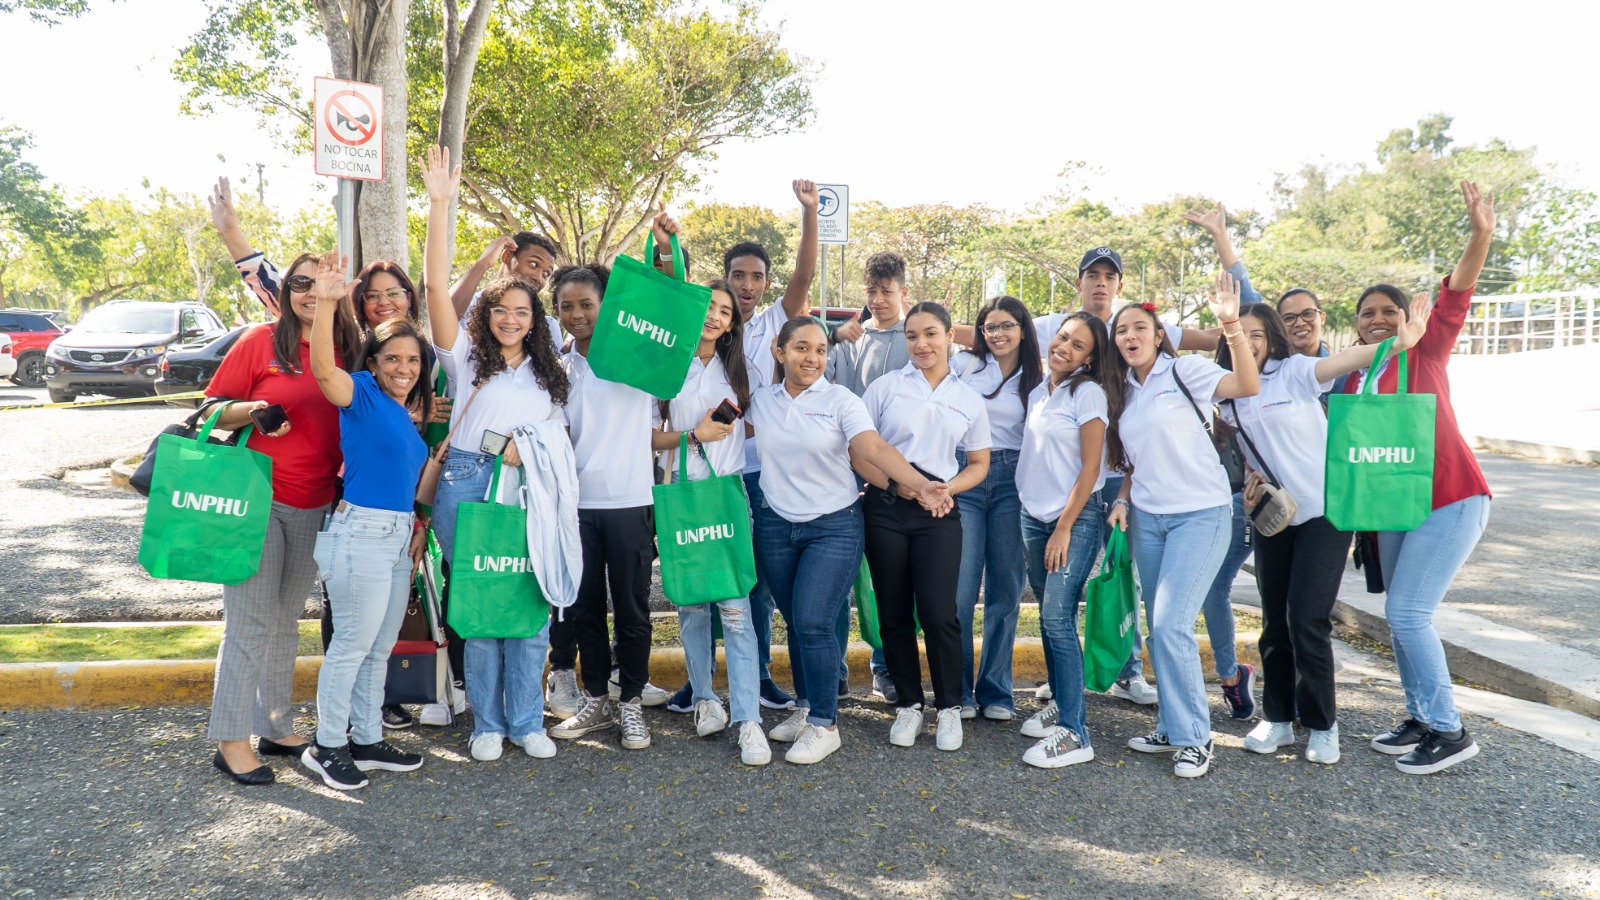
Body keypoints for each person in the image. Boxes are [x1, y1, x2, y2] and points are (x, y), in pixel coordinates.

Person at [1220, 298, 1430, 766]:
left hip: (1325, 514)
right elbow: (1248, 460)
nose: (1250, 343)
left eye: (1257, 334)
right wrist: (1253, 484)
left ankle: (1322, 724)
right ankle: (1277, 719)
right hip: (1276, 519)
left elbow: (1349, 358)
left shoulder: (1293, 372)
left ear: (1270, 338)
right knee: (1274, 622)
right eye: (1241, 334)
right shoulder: (1230, 394)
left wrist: (1401, 343)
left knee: (1306, 621)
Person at [422, 145, 571, 762]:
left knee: (529, 600)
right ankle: (486, 723)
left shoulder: (552, 374)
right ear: (487, 315)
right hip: (464, 478)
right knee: (482, 602)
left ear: (535, 319)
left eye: (522, 311)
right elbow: (433, 284)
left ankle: (526, 721)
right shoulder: (465, 359)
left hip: (529, 485)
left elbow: (561, 436)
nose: (511, 318)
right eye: (501, 310)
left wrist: (527, 446)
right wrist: (439, 206)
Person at [750, 316, 951, 764]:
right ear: (780, 352)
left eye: (821, 350)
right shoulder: (762, 401)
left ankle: (825, 723)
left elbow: (874, 448)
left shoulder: (841, 400)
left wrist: (920, 485)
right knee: (797, 621)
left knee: (814, 619)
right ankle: (806, 707)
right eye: (802, 348)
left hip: (834, 525)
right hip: (777, 525)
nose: (813, 358)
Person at [203, 252, 364, 785]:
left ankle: (275, 725)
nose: (311, 293)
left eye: (322, 284)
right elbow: (209, 411)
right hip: (257, 498)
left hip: (316, 501)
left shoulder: (348, 351)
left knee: (284, 620)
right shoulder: (259, 342)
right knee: (249, 619)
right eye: (300, 283)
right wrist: (249, 410)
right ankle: (230, 741)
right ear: (287, 289)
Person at [1356, 182, 1496, 775]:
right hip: (1393, 505)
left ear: (1410, 314)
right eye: (1368, 314)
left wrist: (1480, 233)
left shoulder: (1429, 345)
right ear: (1357, 327)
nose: (1380, 319)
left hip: (1451, 497)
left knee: (1410, 613)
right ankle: (1419, 714)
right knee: (1399, 612)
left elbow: (1459, 286)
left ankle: (1450, 728)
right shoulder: (1360, 374)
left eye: (1389, 309)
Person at [1103, 272, 1259, 778]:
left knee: (1171, 623)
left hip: (1202, 513)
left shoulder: (1183, 371)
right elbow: (1134, 459)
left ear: (1157, 333)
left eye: (1138, 328)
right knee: (1158, 626)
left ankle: (1196, 738)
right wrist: (1124, 500)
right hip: (1148, 517)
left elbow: (1246, 383)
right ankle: (1171, 725)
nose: (1130, 336)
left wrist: (1231, 326)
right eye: (1121, 331)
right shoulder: (1122, 391)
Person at [301, 249, 433, 789]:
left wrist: (419, 525)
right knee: (351, 645)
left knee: (379, 648)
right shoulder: (359, 394)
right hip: (359, 535)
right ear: (375, 363)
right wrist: (330, 302)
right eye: (393, 359)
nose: (404, 369)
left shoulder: (404, 415)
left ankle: (366, 738)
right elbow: (323, 369)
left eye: (413, 362)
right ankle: (326, 745)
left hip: (397, 537)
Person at [695, 179, 819, 714]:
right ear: (726, 280)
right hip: (708, 474)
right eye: (739, 276)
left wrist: (810, 213)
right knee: (702, 580)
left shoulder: (774, 321)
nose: (748, 285)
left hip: (761, 477)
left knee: (755, 589)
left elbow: (805, 275)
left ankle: (761, 677)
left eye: (757, 277)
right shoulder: (706, 329)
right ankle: (700, 683)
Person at [534, 259, 661, 752]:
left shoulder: (635, 359)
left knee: (631, 609)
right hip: (577, 509)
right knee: (583, 608)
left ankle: (629, 700)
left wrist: (666, 250)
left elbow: (668, 316)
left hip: (631, 502)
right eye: (567, 306)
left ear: (608, 306)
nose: (577, 314)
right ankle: (596, 698)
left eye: (588, 304)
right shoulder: (559, 370)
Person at [856, 302, 991, 752]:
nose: (921, 344)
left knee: (940, 613)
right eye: (912, 336)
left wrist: (946, 489)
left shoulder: (968, 398)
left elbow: (979, 463)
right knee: (894, 613)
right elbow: (860, 452)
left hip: (938, 511)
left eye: (931, 334)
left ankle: (949, 707)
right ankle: (909, 705)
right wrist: (901, 486)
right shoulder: (884, 388)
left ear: (950, 336)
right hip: (886, 507)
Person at [652, 279, 770, 766]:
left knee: (736, 608)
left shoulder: (743, 371)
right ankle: (704, 698)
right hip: (680, 497)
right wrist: (692, 435)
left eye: (725, 310)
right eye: (708, 306)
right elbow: (645, 438)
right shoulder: (665, 366)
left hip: (726, 498)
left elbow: (766, 425)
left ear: (732, 322)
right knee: (692, 606)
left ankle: (749, 721)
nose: (715, 316)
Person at [1015, 312, 1109, 767]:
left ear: (1090, 358)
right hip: (1033, 518)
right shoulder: (1039, 391)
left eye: (1077, 346)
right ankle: (1061, 704)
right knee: (1053, 617)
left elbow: (1091, 469)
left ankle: (1075, 733)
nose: (1064, 347)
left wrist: (1064, 526)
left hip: (1070, 520)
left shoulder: (1087, 393)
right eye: (1063, 337)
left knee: (1055, 618)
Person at [823, 250, 914, 704]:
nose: (879, 300)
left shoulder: (915, 337)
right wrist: (834, 337)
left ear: (903, 292)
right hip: (846, 471)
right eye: (872, 291)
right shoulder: (851, 338)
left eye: (887, 291)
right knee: (838, 576)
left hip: (896, 474)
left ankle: (886, 667)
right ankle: (833, 668)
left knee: (887, 579)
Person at [949, 295, 1041, 722]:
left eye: (1006, 325)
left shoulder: (1040, 379)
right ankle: (959, 691)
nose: (998, 334)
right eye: (989, 327)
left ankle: (997, 691)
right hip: (964, 475)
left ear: (1023, 329)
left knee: (1005, 591)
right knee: (960, 592)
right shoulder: (964, 367)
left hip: (1013, 481)